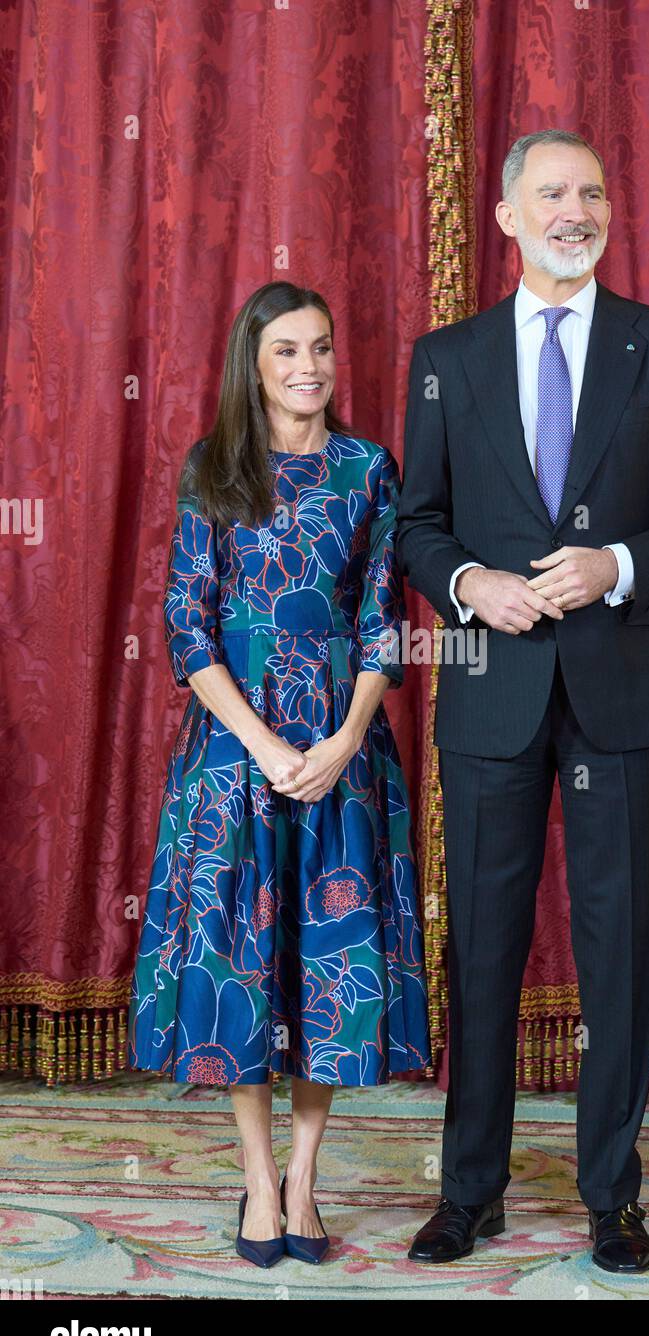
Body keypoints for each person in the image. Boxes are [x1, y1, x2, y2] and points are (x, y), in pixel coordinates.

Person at [396, 130, 649, 1272]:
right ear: (505, 217)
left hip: (622, 689)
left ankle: (613, 1196)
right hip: (491, 691)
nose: (574, 208)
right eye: (550, 192)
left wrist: (618, 566)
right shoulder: (444, 356)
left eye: (592, 190)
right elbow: (415, 521)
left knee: (620, 948)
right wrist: (466, 583)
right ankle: (470, 1192)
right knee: (482, 950)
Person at [127, 280, 431, 1267]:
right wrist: (261, 744)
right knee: (240, 966)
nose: (310, 369)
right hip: (233, 753)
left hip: (341, 747)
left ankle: (306, 1174)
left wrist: (345, 739)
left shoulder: (367, 469)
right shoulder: (213, 470)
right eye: (287, 353)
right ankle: (257, 1177)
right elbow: (187, 626)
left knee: (327, 966)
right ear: (251, 368)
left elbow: (386, 618)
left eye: (323, 350)